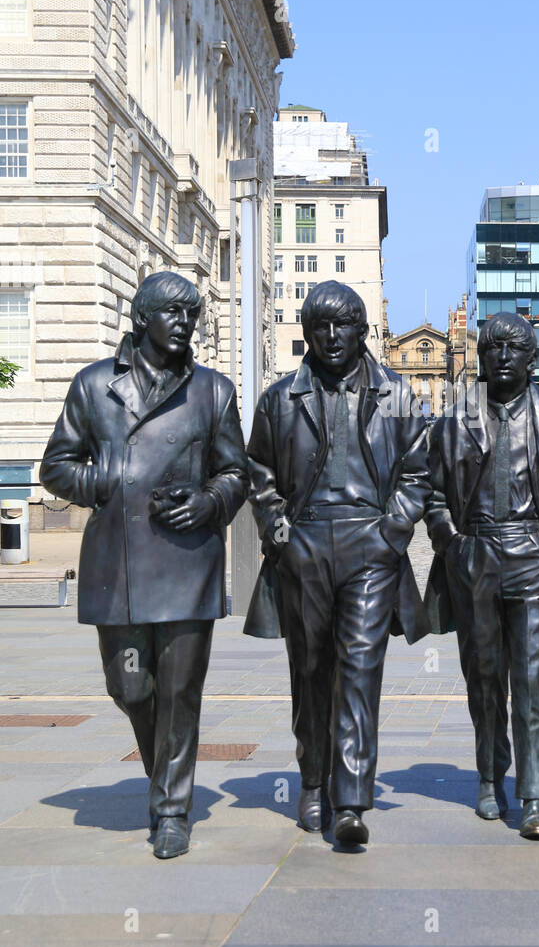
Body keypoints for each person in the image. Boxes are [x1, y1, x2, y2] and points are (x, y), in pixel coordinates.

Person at [40, 272, 249, 859]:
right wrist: (103, 479)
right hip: (120, 567)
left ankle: (171, 809)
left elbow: (237, 473)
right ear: (142, 320)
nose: (185, 323)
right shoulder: (94, 386)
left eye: (192, 314)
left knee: (181, 693)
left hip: (188, 563)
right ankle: (164, 780)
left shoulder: (213, 391)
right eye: (173, 313)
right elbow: (55, 467)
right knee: (131, 687)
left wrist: (210, 501)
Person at [244, 281, 430, 845]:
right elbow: (260, 475)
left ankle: (349, 800)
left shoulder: (397, 395)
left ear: (363, 330)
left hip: (370, 546)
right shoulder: (281, 399)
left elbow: (418, 473)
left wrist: (391, 531)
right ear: (305, 333)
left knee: (358, 669)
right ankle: (311, 779)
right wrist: (282, 537)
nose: (330, 336)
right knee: (310, 670)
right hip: (303, 546)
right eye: (319, 326)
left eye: (342, 324)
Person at [425, 312, 539, 839]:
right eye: (491, 346)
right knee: (485, 680)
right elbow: (431, 494)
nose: (500, 356)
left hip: (534, 560)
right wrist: (452, 543)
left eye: (512, 348)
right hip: (476, 555)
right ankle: (490, 775)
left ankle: (535, 795)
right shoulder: (455, 420)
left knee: (532, 681)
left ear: (531, 360)